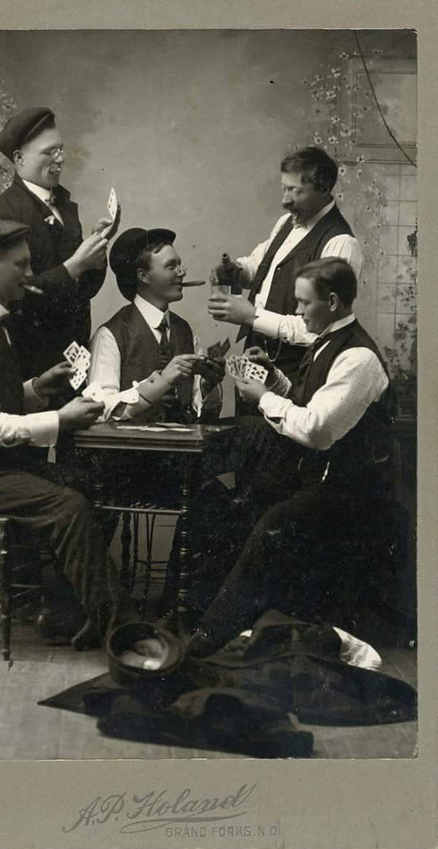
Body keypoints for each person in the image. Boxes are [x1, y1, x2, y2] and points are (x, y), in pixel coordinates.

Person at [0, 219, 137, 649]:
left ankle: (67, 613)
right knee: (70, 505)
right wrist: (62, 419)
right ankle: (119, 632)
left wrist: (37, 388)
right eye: (21, 264)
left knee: (86, 485)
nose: (28, 273)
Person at [188, 257, 392, 657]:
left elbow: (317, 430)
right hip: (323, 477)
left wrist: (264, 398)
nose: (297, 313)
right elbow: (312, 402)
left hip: (353, 491)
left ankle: (209, 638)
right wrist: (277, 381)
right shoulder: (328, 343)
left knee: (273, 522)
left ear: (332, 302)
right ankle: (222, 625)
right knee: (236, 503)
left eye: (303, 303)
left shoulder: (359, 358)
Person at [0, 107, 110, 381]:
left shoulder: (66, 210)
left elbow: (84, 293)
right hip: (27, 370)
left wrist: (96, 252)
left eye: (61, 149)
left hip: (74, 366)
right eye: (49, 152)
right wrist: (74, 266)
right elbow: (10, 297)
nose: (61, 159)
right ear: (19, 158)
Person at [208, 146, 362, 385]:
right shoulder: (287, 223)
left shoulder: (340, 243)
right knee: (247, 420)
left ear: (322, 188)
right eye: (283, 188)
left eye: (294, 191)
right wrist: (237, 271)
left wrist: (252, 316)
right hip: (256, 360)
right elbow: (262, 264)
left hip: (297, 376)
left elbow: (322, 330)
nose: (284, 200)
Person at [88, 227, 224, 423]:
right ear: (143, 276)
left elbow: (195, 409)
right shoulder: (110, 335)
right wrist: (159, 383)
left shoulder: (185, 331)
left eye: (180, 264)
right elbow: (99, 411)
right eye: (171, 266)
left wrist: (207, 385)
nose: (182, 272)